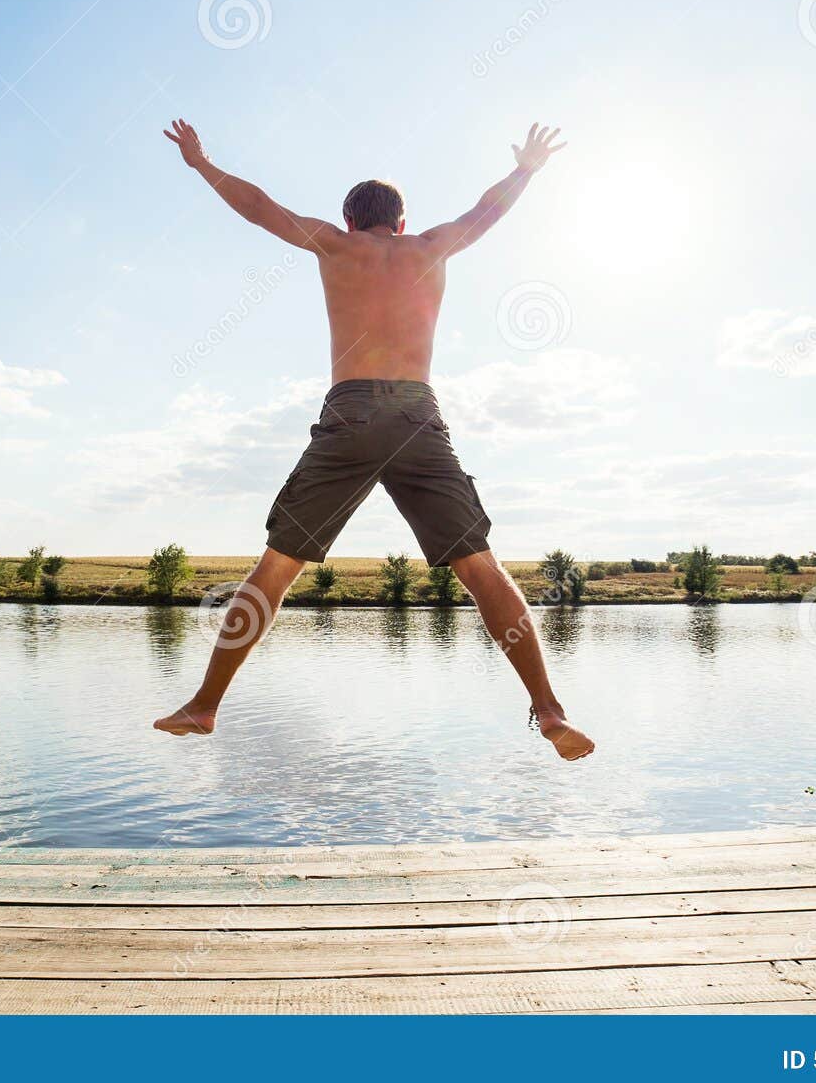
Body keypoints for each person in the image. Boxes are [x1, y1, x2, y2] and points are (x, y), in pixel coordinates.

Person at [153, 119, 594, 761]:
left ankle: (205, 706)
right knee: (480, 567)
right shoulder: (431, 248)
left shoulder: (336, 247)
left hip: (352, 412)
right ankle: (549, 709)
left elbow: (260, 208)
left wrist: (202, 164)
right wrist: (526, 169)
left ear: (350, 220)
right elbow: (487, 211)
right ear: (401, 219)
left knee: (278, 566)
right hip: (417, 415)